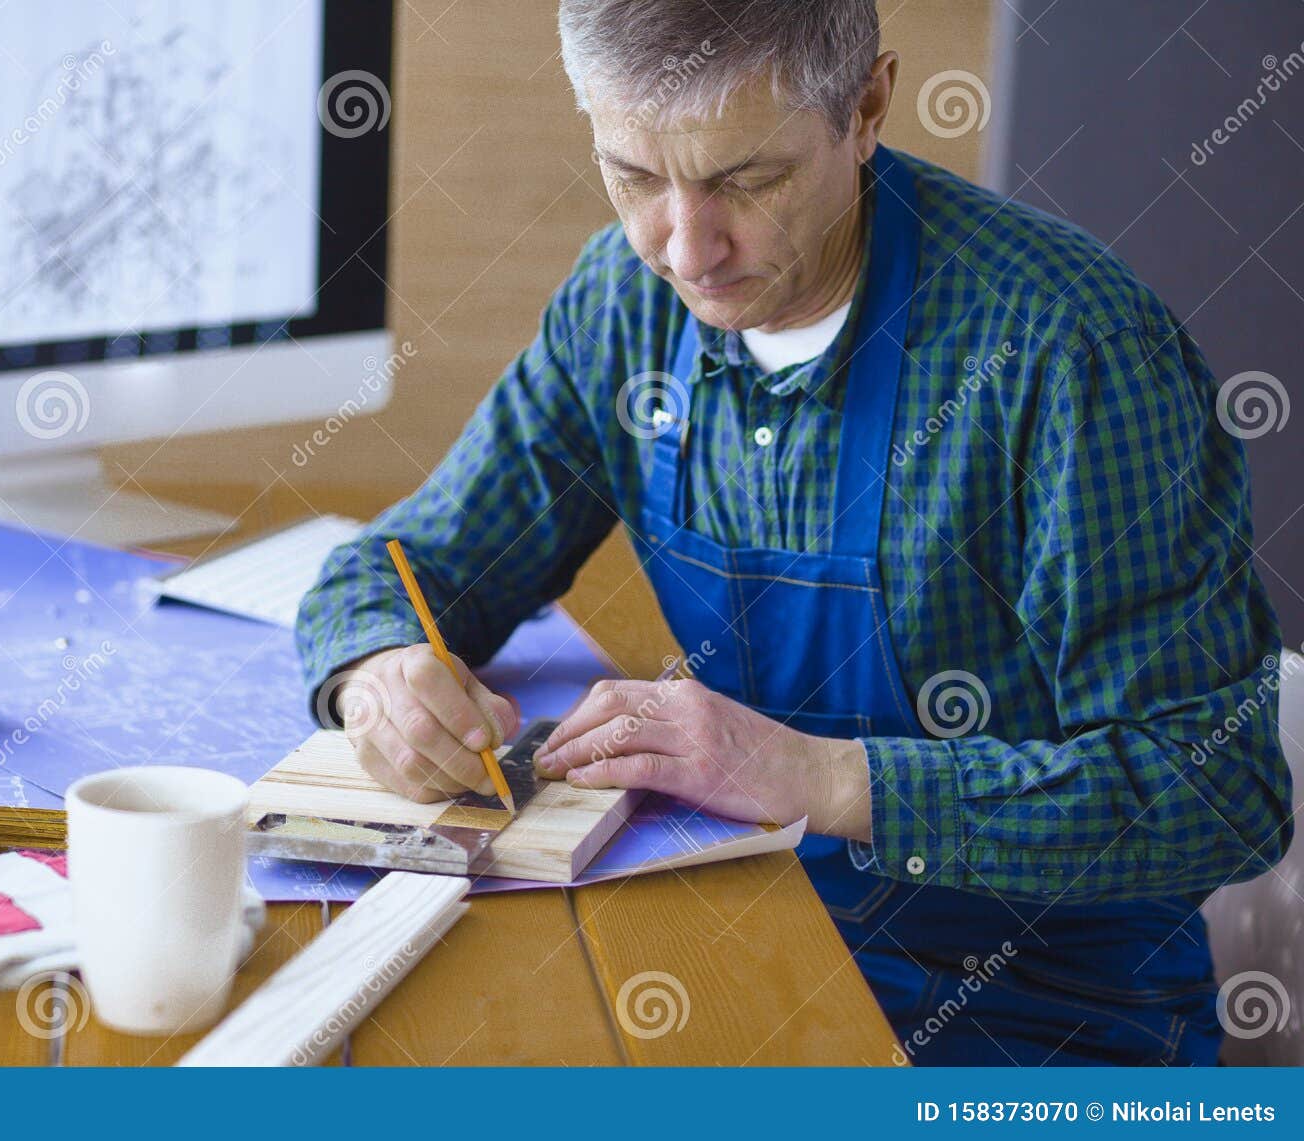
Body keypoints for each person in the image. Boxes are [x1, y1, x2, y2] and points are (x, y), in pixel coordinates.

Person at [296, 0, 1292, 1065]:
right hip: (738, 923)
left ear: (864, 107)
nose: (686, 248)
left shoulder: (1069, 353)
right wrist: (377, 670)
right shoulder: (623, 307)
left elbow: (1215, 792)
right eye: (633, 175)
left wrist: (822, 778)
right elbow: (406, 563)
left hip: (1040, 1012)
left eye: (746, 179)